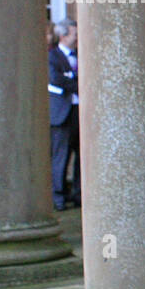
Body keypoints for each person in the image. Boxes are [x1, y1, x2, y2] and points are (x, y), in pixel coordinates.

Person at [48, 19, 80, 211]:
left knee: (82, 156)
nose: (77, 37)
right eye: (74, 34)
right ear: (64, 36)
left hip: (79, 111)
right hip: (62, 113)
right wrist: (78, 83)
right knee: (61, 156)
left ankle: (78, 195)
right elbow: (56, 79)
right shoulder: (53, 56)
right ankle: (58, 198)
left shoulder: (79, 54)